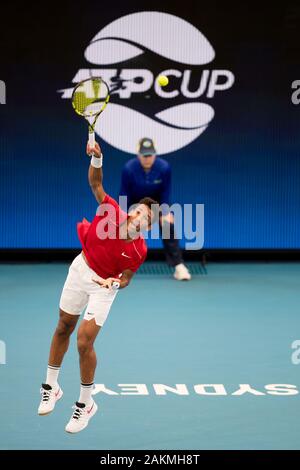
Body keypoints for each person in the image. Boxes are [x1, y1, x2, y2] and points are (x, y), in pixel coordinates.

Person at [38, 140, 158, 433]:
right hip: (81, 269)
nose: (140, 217)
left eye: (147, 218)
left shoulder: (140, 251)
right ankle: (51, 386)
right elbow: (96, 183)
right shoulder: (111, 212)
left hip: (105, 287)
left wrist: (116, 281)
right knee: (63, 326)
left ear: (148, 227)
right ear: (133, 212)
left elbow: (127, 277)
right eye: (140, 211)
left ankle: (85, 404)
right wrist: (98, 159)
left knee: (83, 342)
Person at [120, 138, 191, 280]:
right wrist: (125, 215)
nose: (147, 158)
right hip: (135, 203)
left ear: (155, 154)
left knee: (167, 224)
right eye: (144, 155)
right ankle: (119, 266)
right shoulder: (128, 169)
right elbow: (124, 194)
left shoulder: (164, 168)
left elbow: (165, 193)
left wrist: (164, 213)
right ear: (138, 155)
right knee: (122, 227)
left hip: (157, 203)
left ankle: (178, 266)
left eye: (150, 155)